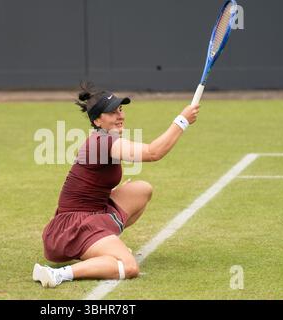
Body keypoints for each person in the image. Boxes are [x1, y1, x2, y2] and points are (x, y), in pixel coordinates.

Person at [33, 83, 200, 288]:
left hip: (88, 216)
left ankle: (103, 246)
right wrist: (182, 120)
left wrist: (109, 191)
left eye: (120, 109)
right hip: (72, 229)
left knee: (141, 190)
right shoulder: (104, 142)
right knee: (128, 267)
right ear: (97, 120)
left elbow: (86, 182)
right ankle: (58, 274)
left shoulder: (103, 140)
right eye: (111, 112)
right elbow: (153, 152)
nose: (119, 115)